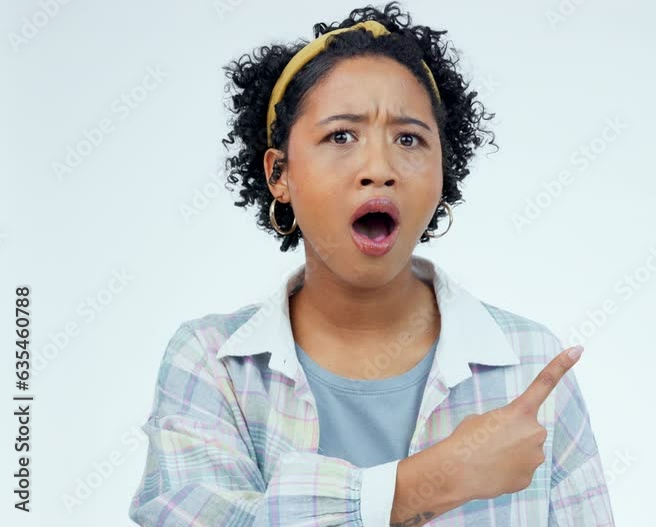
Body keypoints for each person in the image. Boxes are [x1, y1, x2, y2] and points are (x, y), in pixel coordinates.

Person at [128, 3, 614, 525]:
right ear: (279, 174)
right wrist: (435, 479)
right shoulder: (212, 364)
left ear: (441, 173)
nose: (379, 168)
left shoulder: (528, 364)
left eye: (409, 139)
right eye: (341, 136)